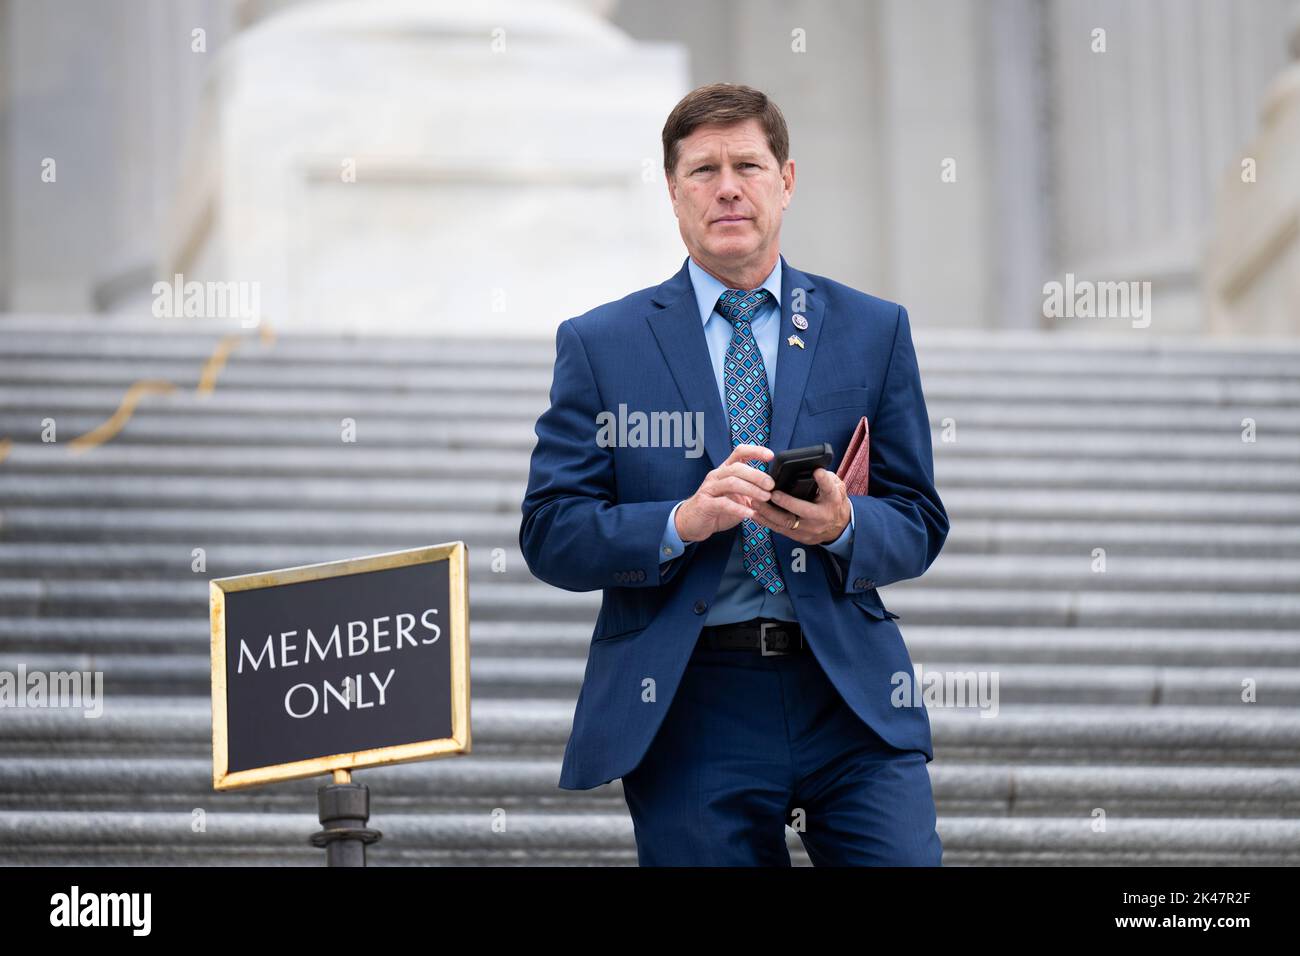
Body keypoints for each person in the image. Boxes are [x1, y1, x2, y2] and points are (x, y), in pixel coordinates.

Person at [519, 82, 948, 866]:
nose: (727, 187)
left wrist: (845, 525)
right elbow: (550, 532)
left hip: (847, 691)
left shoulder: (874, 330)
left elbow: (919, 517)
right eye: (702, 170)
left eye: (748, 165)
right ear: (672, 191)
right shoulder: (601, 343)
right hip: (690, 702)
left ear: (786, 180)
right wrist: (680, 522)